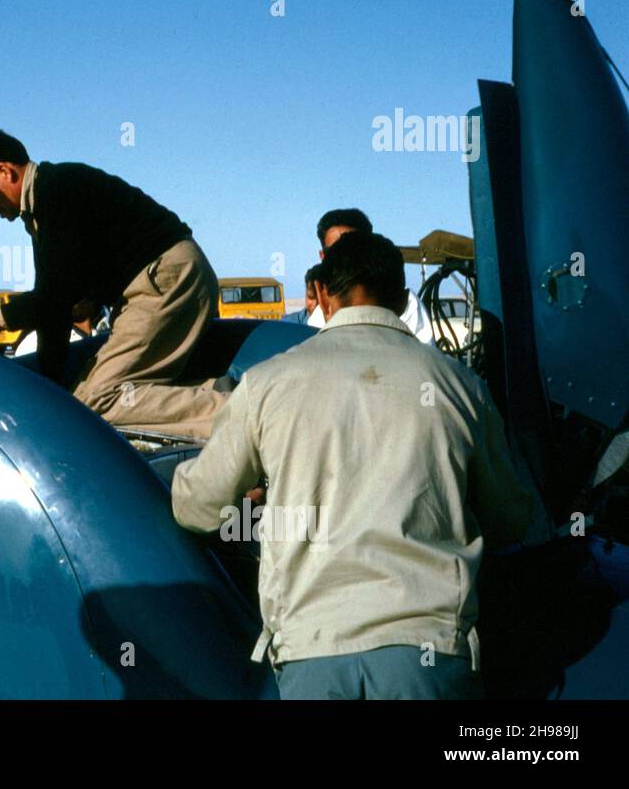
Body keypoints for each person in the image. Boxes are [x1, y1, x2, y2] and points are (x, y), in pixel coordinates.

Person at [171, 231, 534, 699]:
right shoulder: (460, 385)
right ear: (403, 298)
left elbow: (197, 507)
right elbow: (512, 518)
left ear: (321, 293)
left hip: (313, 653)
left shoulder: (267, 383)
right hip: (430, 655)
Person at [0, 129, 226, 439]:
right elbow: (54, 310)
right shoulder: (42, 205)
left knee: (97, 401)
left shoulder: (57, 190)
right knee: (85, 397)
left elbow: (57, 295)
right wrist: (53, 387)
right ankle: (215, 393)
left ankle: (248, 417)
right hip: (165, 279)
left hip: (166, 279)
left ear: (5, 171)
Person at [307, 208, 433, 342]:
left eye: (354, 247)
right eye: (336, 250)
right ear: (323, 257)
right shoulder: (317, 319)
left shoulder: (405, 303)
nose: (345, 255)